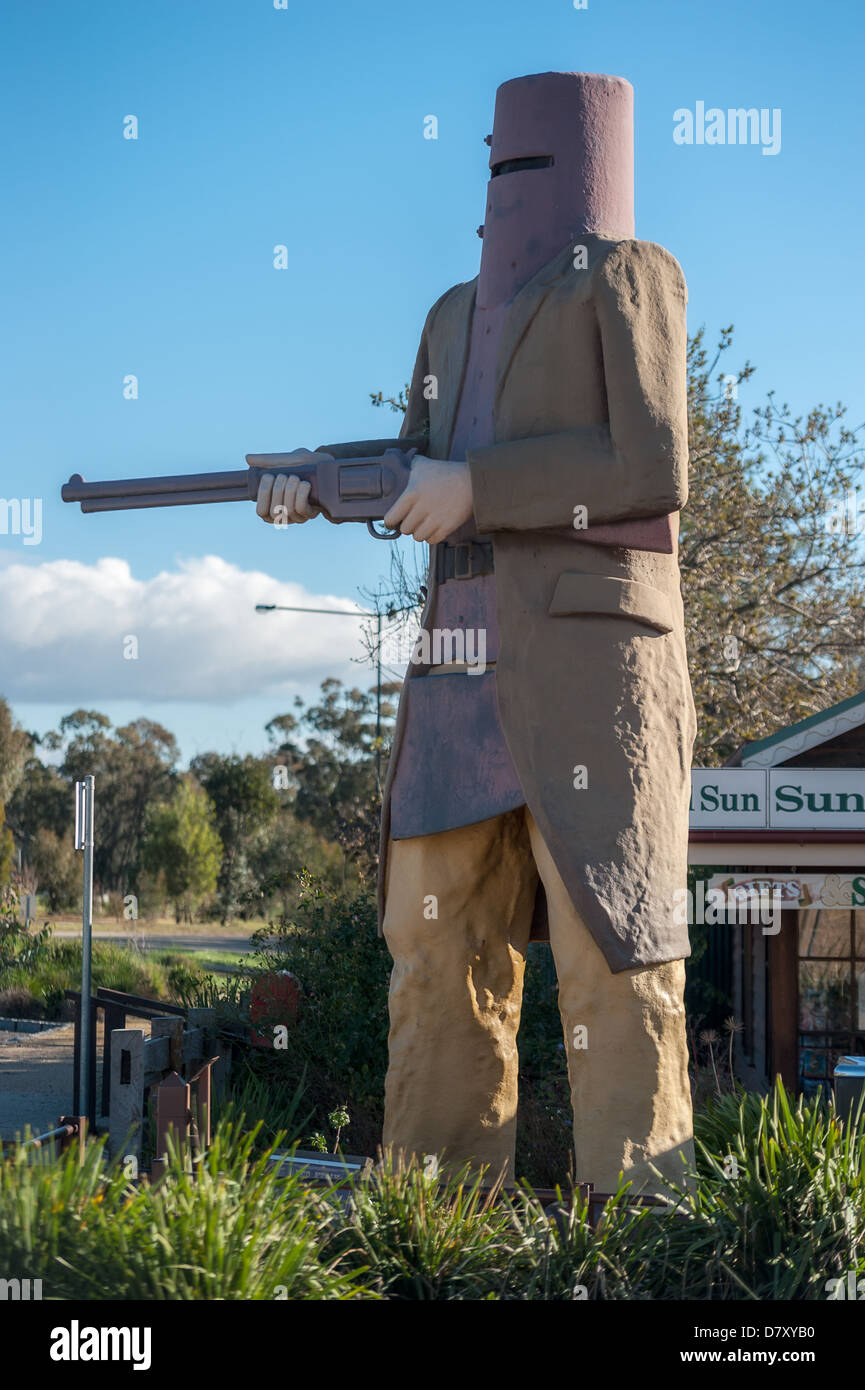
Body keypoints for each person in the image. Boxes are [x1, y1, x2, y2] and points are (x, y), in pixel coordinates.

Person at [256, 71, 696, 1195]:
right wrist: (317, 483)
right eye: (497, 161)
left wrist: (477, 486)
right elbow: (414, 468)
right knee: (435, 959)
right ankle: (436, 1236)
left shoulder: (630, 276)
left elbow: (650, 468)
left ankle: (651, 1244)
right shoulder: (450, 312)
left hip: (595, 680)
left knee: (620, 959)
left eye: (525, 159)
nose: (506, 183)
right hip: (454, 676)